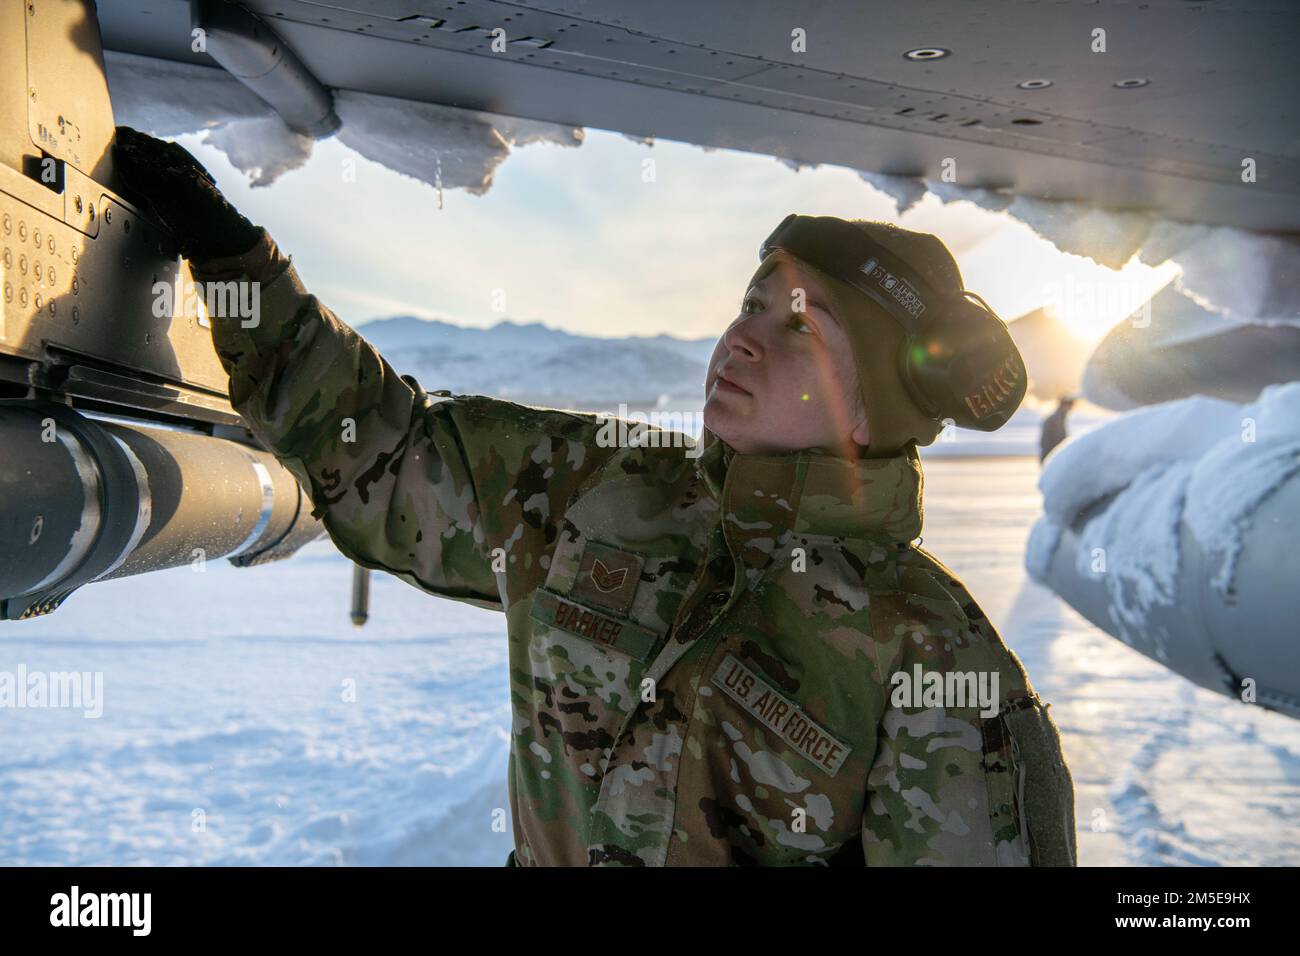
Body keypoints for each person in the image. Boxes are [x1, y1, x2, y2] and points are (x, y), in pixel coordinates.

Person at [112, 126, 1078, 867]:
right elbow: (385, 458)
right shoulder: (595, 486)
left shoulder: (932, 653)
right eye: (748, 306)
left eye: (799, 328)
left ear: (870, 407)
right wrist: (235, 258)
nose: (742, 338)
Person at [1040, 395, 1077, 463]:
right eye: (1070, 406)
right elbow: (1057, 440)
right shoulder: (1056, 419)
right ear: (1064, 405)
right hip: (1051, 457)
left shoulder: (1058, 418)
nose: (1071, 408)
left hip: (1050, 456)